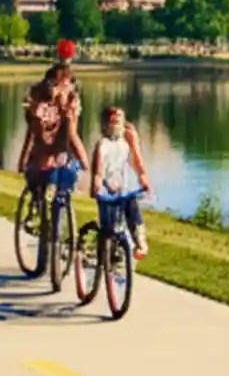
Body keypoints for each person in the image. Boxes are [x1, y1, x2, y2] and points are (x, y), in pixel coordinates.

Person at [89, 106, 154, 259]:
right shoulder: (102, 145)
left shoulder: (125, 143)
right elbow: (98, 171)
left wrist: (143, 179)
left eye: (118, 122)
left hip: (122, 188)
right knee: (108, 227)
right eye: (111, 122)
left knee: (131, 206)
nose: (115, 126)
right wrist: (97, 184)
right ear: (105, 125)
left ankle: (139, 239)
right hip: (106, 191)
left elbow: (137, 163)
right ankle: (103, 253)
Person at [17, 62, 88, 201]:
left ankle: (58, 194)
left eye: (67, 88)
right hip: (41, 158)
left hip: (62, 157)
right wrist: (23, 161)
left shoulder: (70, 109)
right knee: (38, 177)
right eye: (60, 87)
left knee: (69, 171)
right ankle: (38, 206)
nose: (63, 92)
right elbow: (33, 135)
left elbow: (73, 137)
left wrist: (85, 163)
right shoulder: (42, 109)